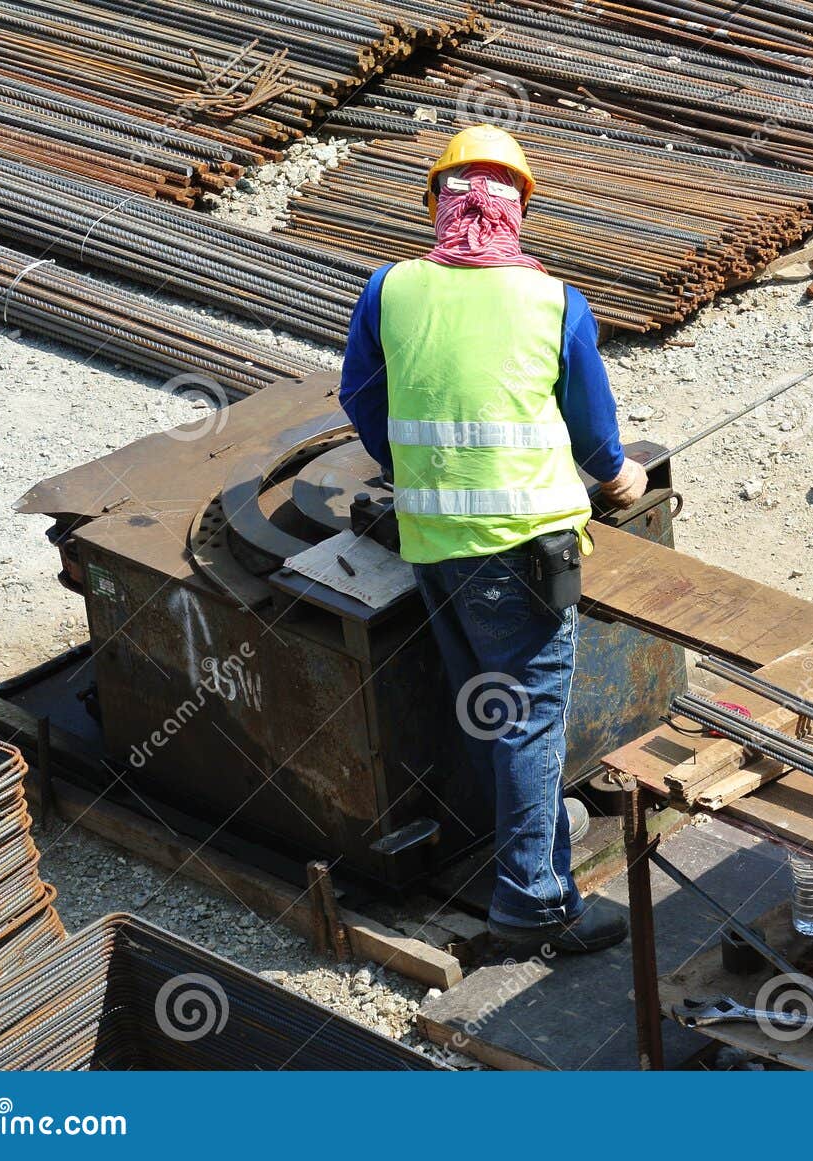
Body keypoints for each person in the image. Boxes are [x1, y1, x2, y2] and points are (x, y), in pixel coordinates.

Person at [339, 125, 646, 954]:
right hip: (525, 547)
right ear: (518, 210)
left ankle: (532, 847)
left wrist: (413, 463)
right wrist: (619, 477)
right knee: (530, 722)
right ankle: (534, 907)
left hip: (434, 539)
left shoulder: (390, 289)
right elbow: (590, 430)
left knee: (490, 711)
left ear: (438, 203)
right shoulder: (551, 299)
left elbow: (361, 397)